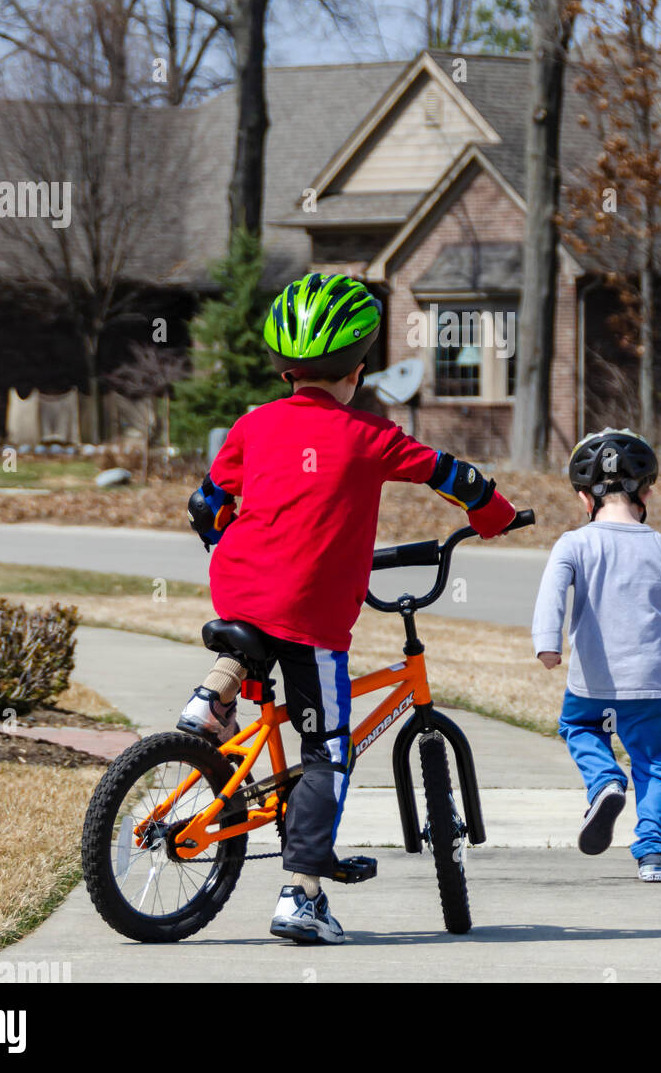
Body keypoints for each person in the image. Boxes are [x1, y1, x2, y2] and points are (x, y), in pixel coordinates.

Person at [177, 272, 516, 943]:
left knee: (258, 627)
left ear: (283, 368)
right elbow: (457, 479)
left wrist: (226, 544)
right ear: (358, 371)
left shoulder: (251, 425)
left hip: (240, 586)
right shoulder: (372, 436)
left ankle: (212, 696)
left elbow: (205, 504)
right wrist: (493, 517)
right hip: (310, 611)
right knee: (328, 748)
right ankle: (300, 895)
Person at [532, 428, 661, 882]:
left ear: (586, 499)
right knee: (655, 764)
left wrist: (547, 643)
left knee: (580, 726)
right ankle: (653, 856)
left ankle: (605, 779)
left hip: (593, 683)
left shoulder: (574, 543)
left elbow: (551, 594)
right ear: (645, 492)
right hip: (651, 685)